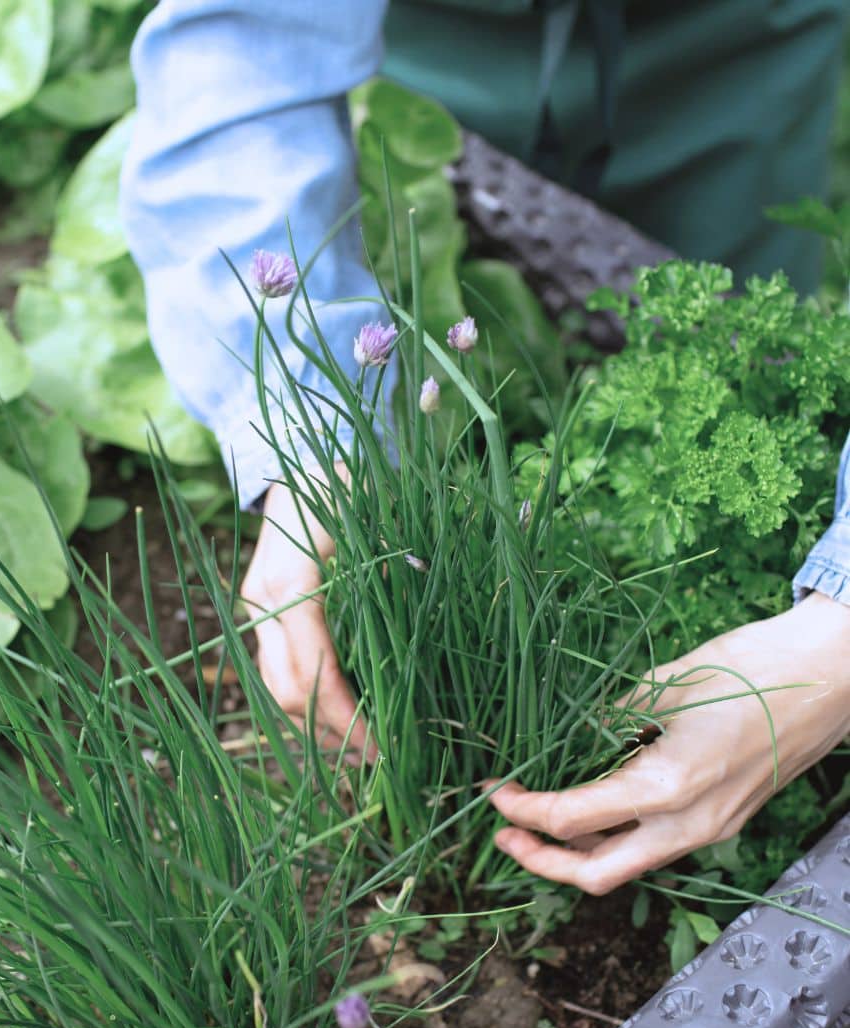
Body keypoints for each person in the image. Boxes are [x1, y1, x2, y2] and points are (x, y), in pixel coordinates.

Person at [120, 1, 850, 894]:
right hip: (445, 44)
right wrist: (318, 442)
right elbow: (239, 51)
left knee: (739, 338)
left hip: (734, 51)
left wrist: (835, 635)